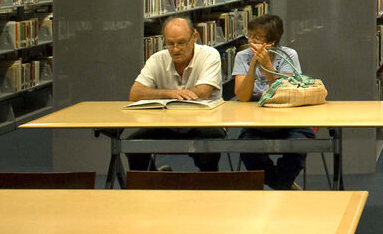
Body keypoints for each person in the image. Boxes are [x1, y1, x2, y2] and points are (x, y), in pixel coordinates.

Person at [126, 15, 225, 173]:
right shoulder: (157, 59)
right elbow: (135, 93)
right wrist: (170, 93)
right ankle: (150, 182)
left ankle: (208, 187)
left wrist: (158, 94)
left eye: (181, 42)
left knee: (207, 151)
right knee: (133, 144)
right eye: (170, 44)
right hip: (166, 124)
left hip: (203, 123)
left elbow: (203, 92)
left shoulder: (209, 55)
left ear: (194, 37)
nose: (176, 49)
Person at [232, 13, 314, 190]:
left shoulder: (288, 55)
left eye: (258, 38)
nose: (252, 41)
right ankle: (282, 185)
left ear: (272, 40)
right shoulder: (242, 57)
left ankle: (278, 185)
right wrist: (254, 64)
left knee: (300, 145)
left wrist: (268, 66)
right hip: (256, 122)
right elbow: (243, 96)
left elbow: (283, 92)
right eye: (251, 36)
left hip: (288, 120)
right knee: (247, 147)